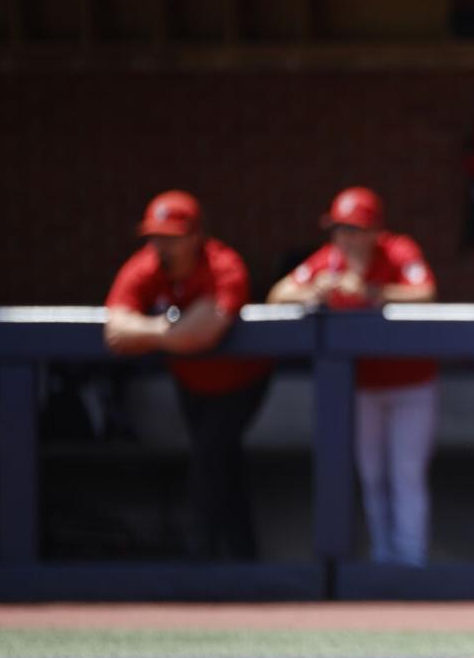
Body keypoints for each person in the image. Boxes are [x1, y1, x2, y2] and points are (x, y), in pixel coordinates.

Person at [267, 187, 438, 566]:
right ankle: (382, 560)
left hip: (412, 383)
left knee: (406, 474)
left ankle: (411, 564)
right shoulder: (329, 261)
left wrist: (372, 292)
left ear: (376, 230)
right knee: (373, 475)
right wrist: (313, 291)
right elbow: (277, 295)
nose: (347, 238)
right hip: (362, 387)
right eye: (341, 229)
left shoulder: (397, 251)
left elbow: (425, 293)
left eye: (356, 229)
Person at [104, 190, 271, 560]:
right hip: (192, 381)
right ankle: (243, 560)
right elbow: (115, 328)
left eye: (172, 236)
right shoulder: (144, 266)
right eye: (156, 235)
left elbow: (206, 331)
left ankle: (199, 565)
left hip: (240, 382)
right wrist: (172, 329)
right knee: (223, 463)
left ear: (196, 236)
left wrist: (151, 333)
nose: (162, 244)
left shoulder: (223, 265)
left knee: (209, 463)